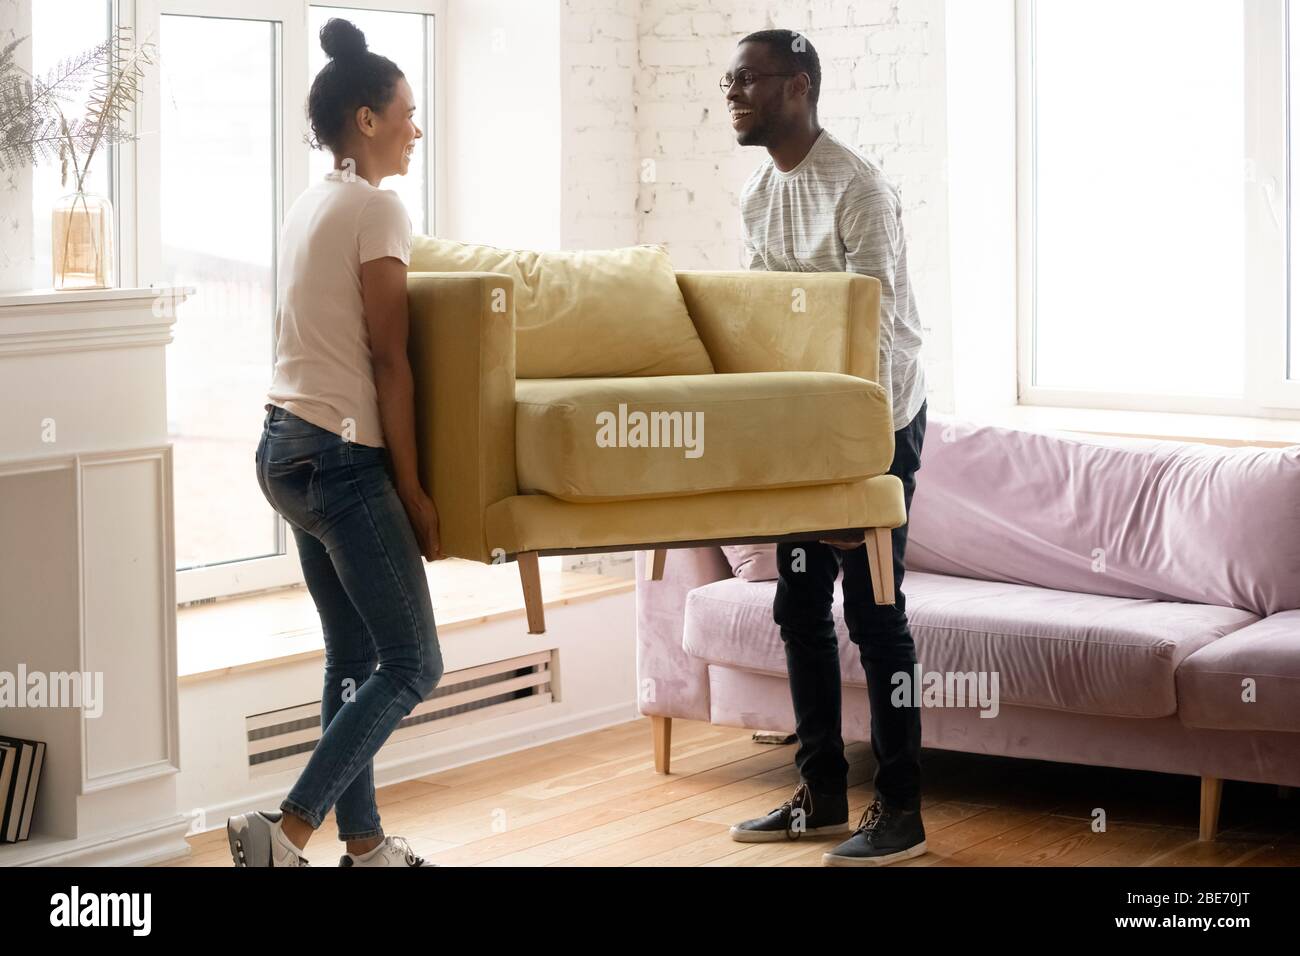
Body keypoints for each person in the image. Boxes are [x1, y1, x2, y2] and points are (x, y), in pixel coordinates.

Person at [226, 17, 442, 868]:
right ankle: (288, 830)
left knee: (354, 655)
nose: (415, 128)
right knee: (414, 661)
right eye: (406, 113)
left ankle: (366, 846)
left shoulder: (311, 202)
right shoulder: (378, 207)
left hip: (283, 453)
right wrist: (416, 491)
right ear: (366, 119)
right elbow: (392, 362)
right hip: (343, 462)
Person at [721, 29, 929, 866]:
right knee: (798, 604)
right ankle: (823, 796)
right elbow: (769, 330)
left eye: (748, 80)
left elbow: (878, 337)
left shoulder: (859, 189)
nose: (732, 94)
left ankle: (903, 810)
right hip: (807, 427)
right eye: (727, 82)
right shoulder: (756, 198)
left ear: (798, 86)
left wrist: (856, 470)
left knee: (875, 614)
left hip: (879, 425)